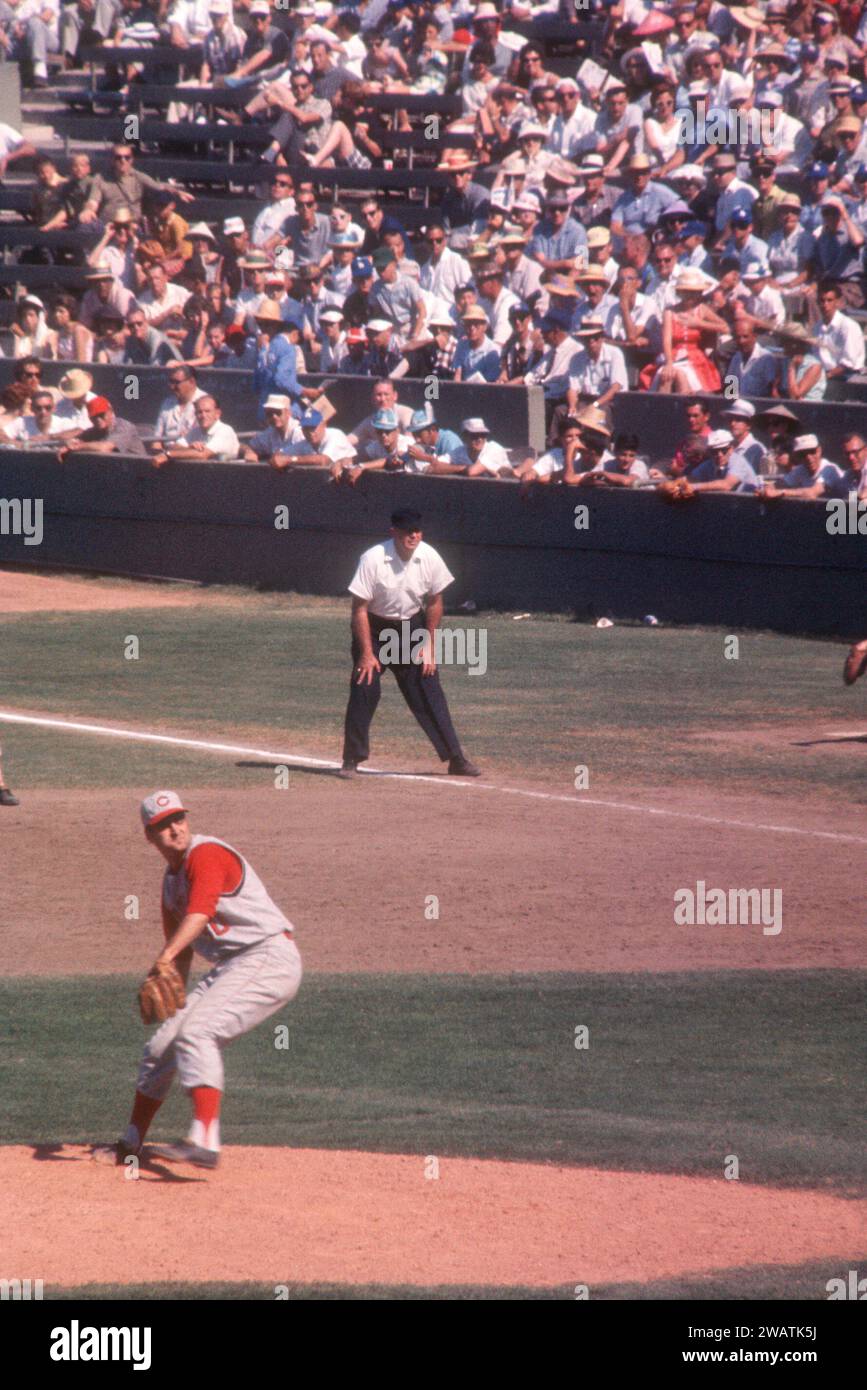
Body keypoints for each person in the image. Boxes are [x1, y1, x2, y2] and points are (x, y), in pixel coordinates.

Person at [91, 791, 302, 1170]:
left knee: (198, 1033)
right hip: (235, 966)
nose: (174, 829)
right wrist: (175, 996)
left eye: (178, 819)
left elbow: (200, 915)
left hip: (269, 956)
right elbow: (183, 951)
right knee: (162, 1045)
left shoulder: (205, 854)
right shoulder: (171, 883)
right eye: (162, 825)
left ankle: (205, 1141)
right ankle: (131, 1143)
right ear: (149, 836)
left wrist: (164, 958)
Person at [338, 509, 481, 780]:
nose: (412, 535)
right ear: (394, 532)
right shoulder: (372, 558)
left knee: (428, 689)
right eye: (406, 531)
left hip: (411, 629)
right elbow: (358, 609)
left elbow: (435, 602)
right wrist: (367, 654)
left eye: (416, 531)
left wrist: (428, 646)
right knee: (364, 686)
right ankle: (351, 759)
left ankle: (456, 759)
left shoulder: (429, 556)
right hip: (375, 629)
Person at [152, 395, 239, 466]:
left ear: (217, 414)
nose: (203, 415)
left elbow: (203, 455)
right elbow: (174, 447)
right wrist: (189, 447)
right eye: (199, 412)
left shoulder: (225, 430)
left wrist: (168, 455)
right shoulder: (195, 431)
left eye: (207, 411)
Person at [56, 396, 147, 458]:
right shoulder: (94, 431)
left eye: (101, 415)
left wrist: (77, 447)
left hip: (139, 475)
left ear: (110, 412)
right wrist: (68, 445)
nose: (98, 419)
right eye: (94, 416)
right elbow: (75, 440)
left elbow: (105, 448)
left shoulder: (123, 426)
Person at [241, 394, 304, 467]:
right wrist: (248, 452)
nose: (274, 417)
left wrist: (289, 459)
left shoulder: (300, 432)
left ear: (288, 413)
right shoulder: (270, 432)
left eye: (278, 412)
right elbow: (245, 446)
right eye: (269, 413)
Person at [153, 366, 205, 450]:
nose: (172, 387)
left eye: (176, 382)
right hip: (165, 454)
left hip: (191, 454)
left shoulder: (206, 404)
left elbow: (203, 440)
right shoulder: (167, 403)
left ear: (192, 382)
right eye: (170, 382)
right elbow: (156, 440)